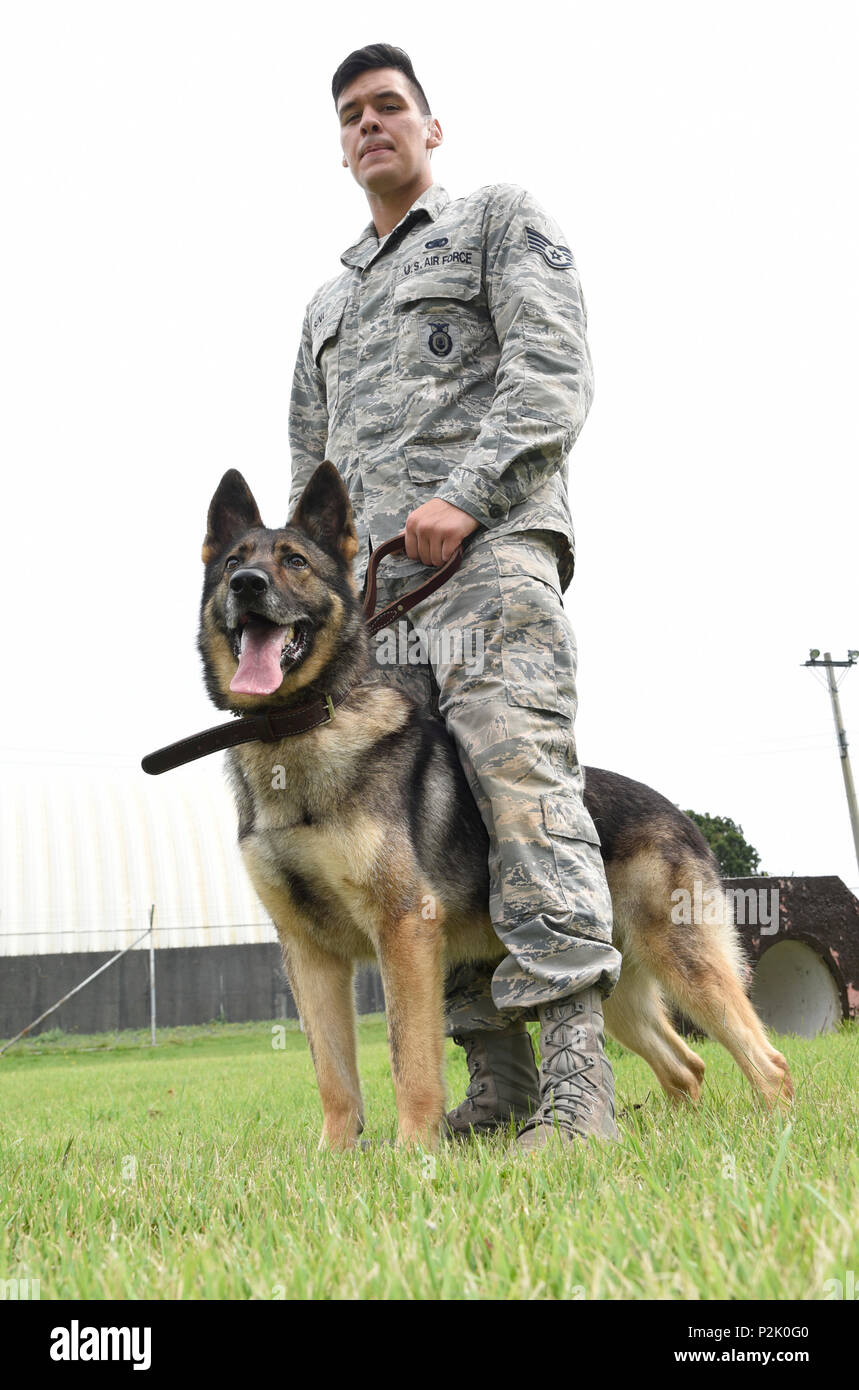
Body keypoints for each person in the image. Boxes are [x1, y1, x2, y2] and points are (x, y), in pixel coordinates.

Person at [288, 42, 623, 1148]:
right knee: (422, 841)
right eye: (352, 114)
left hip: (486, 562)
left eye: (390, 106)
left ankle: (580, 1081)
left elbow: (551, 370)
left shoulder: (495, 222)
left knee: (517, 782)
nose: (369, 123)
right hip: (375, 615)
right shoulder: (327, 305)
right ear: (342, 146)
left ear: (433, 129)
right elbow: (310, 478)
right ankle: (497, 1079)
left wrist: (466, 496)